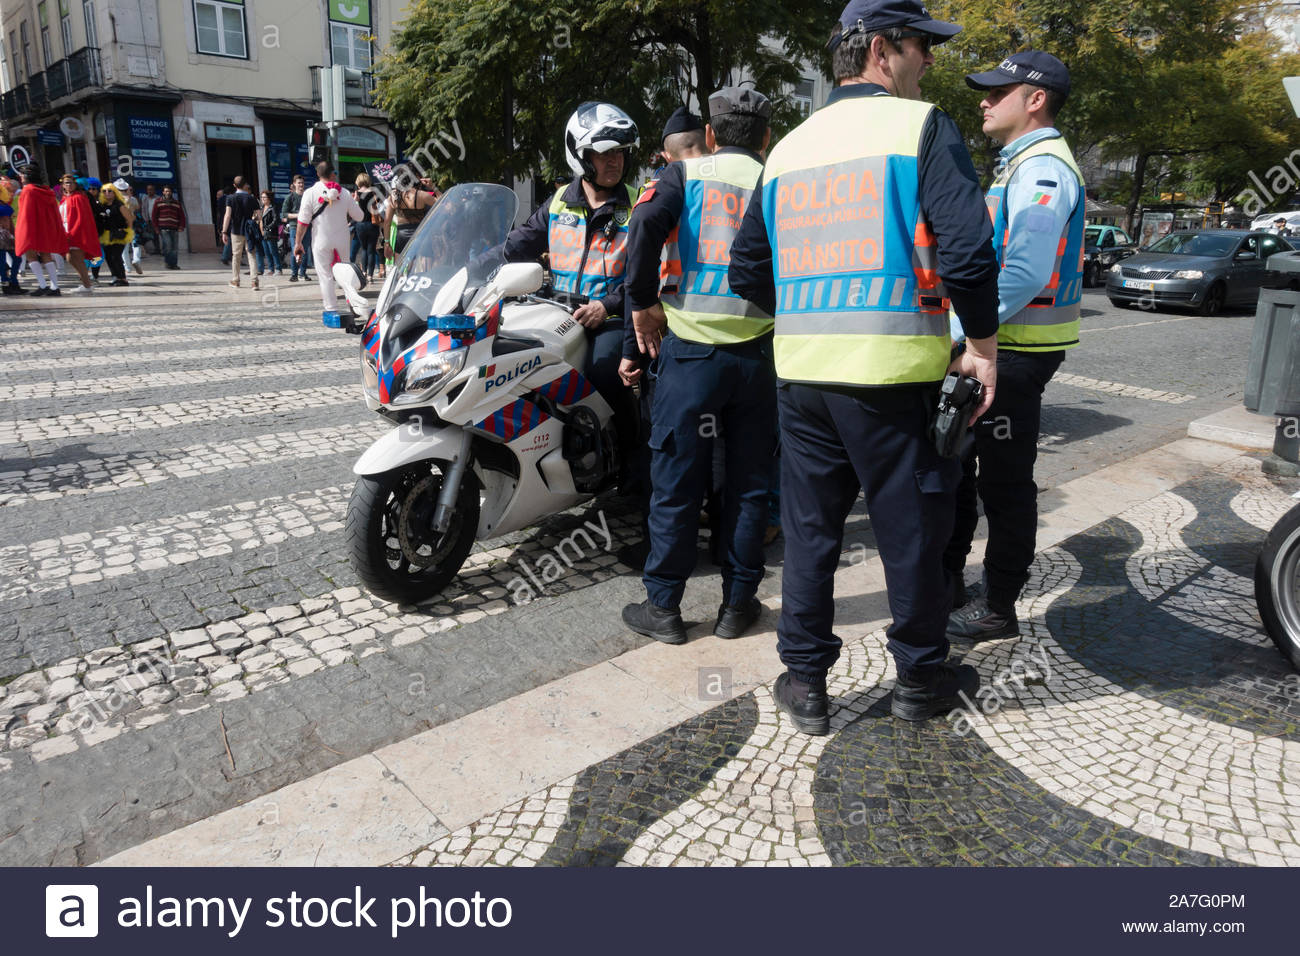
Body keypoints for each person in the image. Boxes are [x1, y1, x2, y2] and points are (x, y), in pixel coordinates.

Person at [728, 0, 1002, 734]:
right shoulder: (920, 127)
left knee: (812, 533)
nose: (931, 61)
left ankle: (806, 682)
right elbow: (972, 254)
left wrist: (805, 305)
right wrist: (980, 346)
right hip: (895, 381)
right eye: (922, 47)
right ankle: (919, 679)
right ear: (883, 49)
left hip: (805, 378)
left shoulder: (787, 149)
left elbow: (747, 268)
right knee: (911, 532)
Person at [620, 87, 778, 645]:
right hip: (760, 357)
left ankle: (663, 607)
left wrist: (641, 304)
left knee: (676, 480)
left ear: (710, 135)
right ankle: (738, 605)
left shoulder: (683, 177)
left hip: (690, 356)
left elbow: (641, 231)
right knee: (749, 484)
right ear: (764, 137)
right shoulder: (777, 178)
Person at [943, 51, 1084, 642]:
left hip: (1014, 352)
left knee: (1002, 481)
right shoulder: (1021, 163)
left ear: (1035, 100)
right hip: (1006, 346)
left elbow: (1024, 270)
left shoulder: (1043, 167)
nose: (983, 99)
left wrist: (960, 334)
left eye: (998, 91)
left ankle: (997, 605)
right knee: (958, 465)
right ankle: (951, 583)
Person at [503, 101, 640, 467]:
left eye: (621, 154)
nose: (615, 162)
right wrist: (481, 258)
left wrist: (607, 305)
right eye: (605, 154)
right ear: (582, 157)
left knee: (603, 372)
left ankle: (634, 458)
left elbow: (645, 275)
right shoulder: (560, 201)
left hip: (611, 317)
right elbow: (518, 244)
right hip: (558, 311)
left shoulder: (638, 207)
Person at [295, 160, 366, 315]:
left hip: (321, 239)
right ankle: (354, 305)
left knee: (325, 275)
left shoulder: (310, 193)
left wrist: (298, 242)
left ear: (318, 174)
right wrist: (355, 202)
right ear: (333, 174)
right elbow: (359, 217)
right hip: (342, 239)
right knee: (346, 274)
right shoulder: (345, 193)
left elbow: (302, 222)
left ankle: (331, 308)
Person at [14, 163, 69, 296]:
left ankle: (43, 285)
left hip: (32, 227)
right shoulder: (47, 190)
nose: (20, 176)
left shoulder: (28, 190)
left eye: (22, 174)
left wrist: (22, 231)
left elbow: (25, 213)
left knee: (31, 255)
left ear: (28, 175)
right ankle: (54, 287)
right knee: (46, 255)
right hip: (45, 228)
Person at [59, 174, 100, 293]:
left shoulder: (79, 197)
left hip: (76, 233)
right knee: (70, 258)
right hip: (67, 231)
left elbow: (82, 218)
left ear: (75, 184)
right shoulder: (65, 198)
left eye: (71, 182)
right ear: (63, 185)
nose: (69, 185)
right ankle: (86, 282)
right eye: (66, 183)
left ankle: (87, 285)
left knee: (77, 257)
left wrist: (73, 233)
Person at [384, 170, 439, 257]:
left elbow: (387, 223)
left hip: (401, 236)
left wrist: (387, 243)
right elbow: (445, 204)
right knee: (422, 268)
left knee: (400, 268)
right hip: (420, 234)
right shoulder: (422, 195)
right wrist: (433, 187)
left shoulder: (393, 197)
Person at [221, 176, 261, 289]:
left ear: (234, 185)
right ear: (245, 185)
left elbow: (227, 215)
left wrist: (224, 231)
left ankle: (236, 280)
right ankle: (254, 282)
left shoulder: (230, 198)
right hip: (249, 230)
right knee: (251, 254)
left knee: (236, 256)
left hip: (236, 230)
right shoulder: (252, 198)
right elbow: (259, 216)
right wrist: (254, 222)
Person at [94, 179, 133, 287]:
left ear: (114, 192)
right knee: (109, 256)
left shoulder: (119, 205)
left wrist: (128, 232)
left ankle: (123, 278)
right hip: (107, 234)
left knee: (116, 255)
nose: (107, 193)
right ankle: (115, 277)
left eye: (110, 191)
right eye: (104, 191)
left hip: (119, 233)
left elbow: (129, 219)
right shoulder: (102, 205)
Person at [281, 174, 312, 281]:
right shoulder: (290, 197)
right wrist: (298, 215)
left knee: (306, 250)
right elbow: (284, 214)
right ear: (294, 184)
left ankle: (302, 273)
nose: (301, 185)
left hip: (307, 227)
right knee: (296, 250)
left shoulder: (308, 196)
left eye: (302, 183)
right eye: (299, 183)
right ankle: (294, 273)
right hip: (295, 226)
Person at [352, 172, 382, 281]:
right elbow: (380, 205)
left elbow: (353, 206)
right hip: (372, 224)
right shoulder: (374, 192)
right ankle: (370, 275)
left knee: (363, 249)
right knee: (371, 250)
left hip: (360, 224)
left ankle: (363, 273)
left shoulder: (356, 193)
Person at [150, 185, 187, 269]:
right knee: (168, 246)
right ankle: (168, 262)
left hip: (174, 228)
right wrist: (156, 228)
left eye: (169, 191)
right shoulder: (158, 201)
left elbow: (182, 216)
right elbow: (154, 216)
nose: (168, 193)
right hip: (163, 228)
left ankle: (174, 264)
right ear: (163, 192)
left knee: (174, 247)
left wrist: (181, 226)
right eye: (166, 191)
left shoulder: (176, 203)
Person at [0, 173, 24, 294]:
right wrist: (14, 236)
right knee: (11, 260)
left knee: (10, 260)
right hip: (6, 237)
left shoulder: (5, 206)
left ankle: (10, 283)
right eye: (8, 191)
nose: (10, 193)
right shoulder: (3, 207)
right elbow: (7, 224)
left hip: (7, 237)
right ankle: (10, 283)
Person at [120, 180, 146, 275]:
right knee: (135, 245)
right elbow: (137, 210)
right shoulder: (133, 199)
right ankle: (136, 260)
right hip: (132, 225)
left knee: (126, 248)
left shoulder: (120, 200)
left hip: (125, 226)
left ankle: (128, 266)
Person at [256, 189, 282, 276]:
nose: (262, 199)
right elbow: (259, 220)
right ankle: (271, 269)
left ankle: (278, 269)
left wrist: (267, 228)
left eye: (264, 197)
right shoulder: (262, 208)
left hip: (270, 233)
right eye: (261, 197)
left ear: (269, 198)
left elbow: (276, 220)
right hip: (262, 233)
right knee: (267, 252)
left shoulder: (273, 207)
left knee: (273, 251)